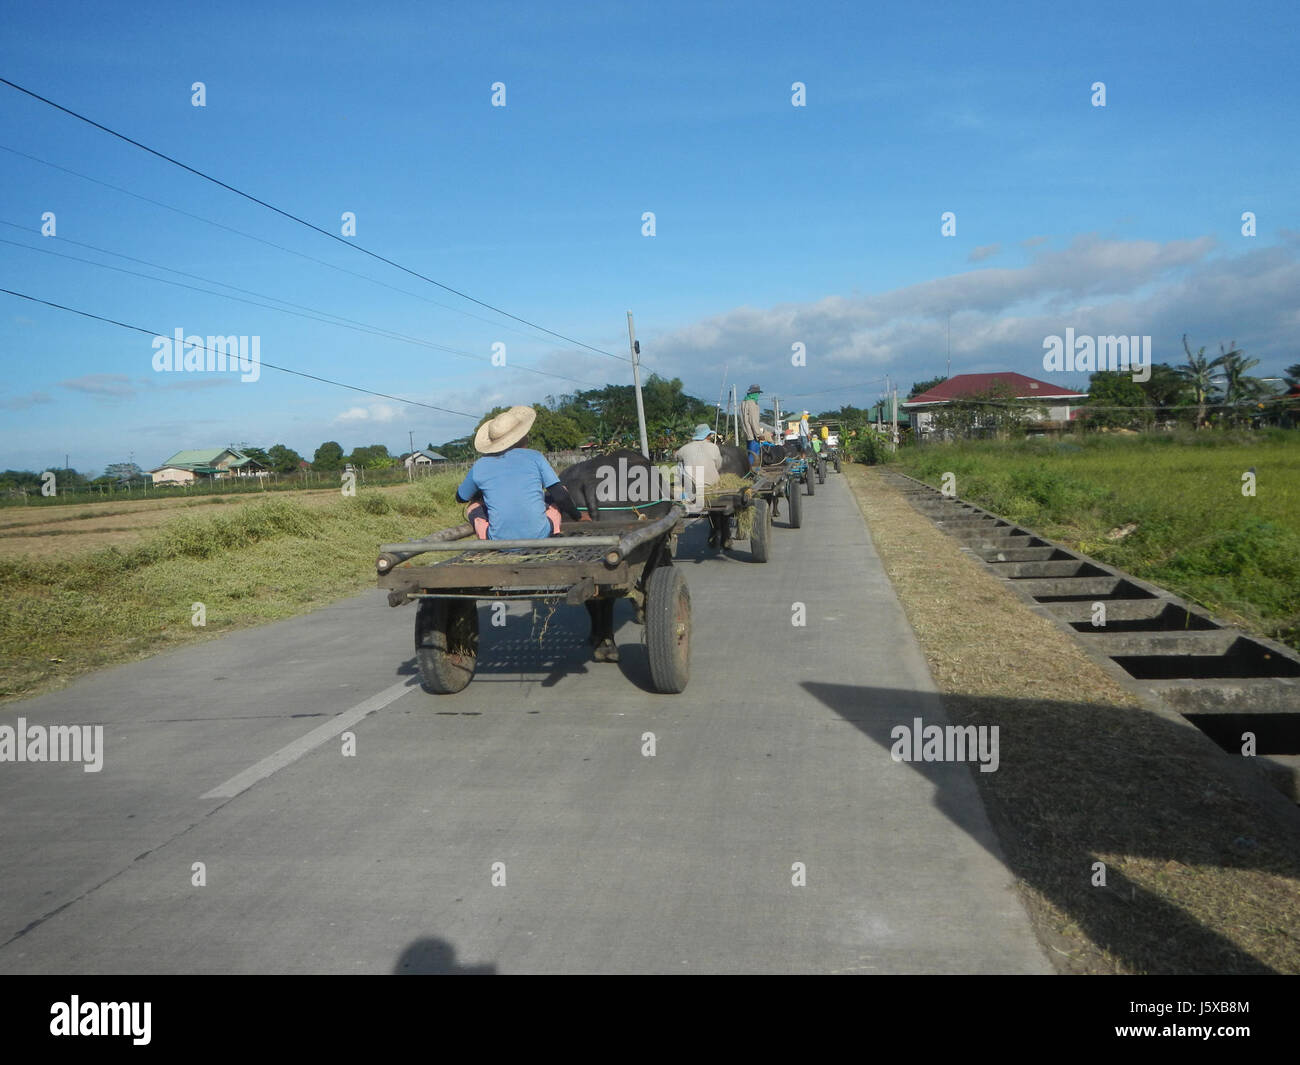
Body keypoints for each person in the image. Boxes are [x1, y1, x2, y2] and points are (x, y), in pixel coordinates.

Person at [456, 405, 584, 540]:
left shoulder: (480, 465)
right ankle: (554, 530)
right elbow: (560, 495)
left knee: (473, 507)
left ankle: (486, 535)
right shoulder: (535, 457)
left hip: (499, 541)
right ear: (521, 436)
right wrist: (578, 517)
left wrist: (481, 491)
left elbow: (461, 498)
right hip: (540, 535)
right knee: (558, 493)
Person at [675, 423, 728, 548]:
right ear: (708, 436)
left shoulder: (684, 448)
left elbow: (676, 456)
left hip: (692, 490)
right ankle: (723, 532)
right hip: (712, 488)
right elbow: (719, 465)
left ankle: (715, 530)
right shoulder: (714, 447)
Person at [740, 383, 764, 468]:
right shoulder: (752, 403)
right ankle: (753, 473)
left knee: (750, 452)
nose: (758, 395)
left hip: (747, 433)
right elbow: (753, 420)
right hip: (753, 434)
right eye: (757, 393)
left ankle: (748, 471)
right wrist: (759, 434)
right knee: (754, 455)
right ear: (755, 393)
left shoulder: (743, 402)